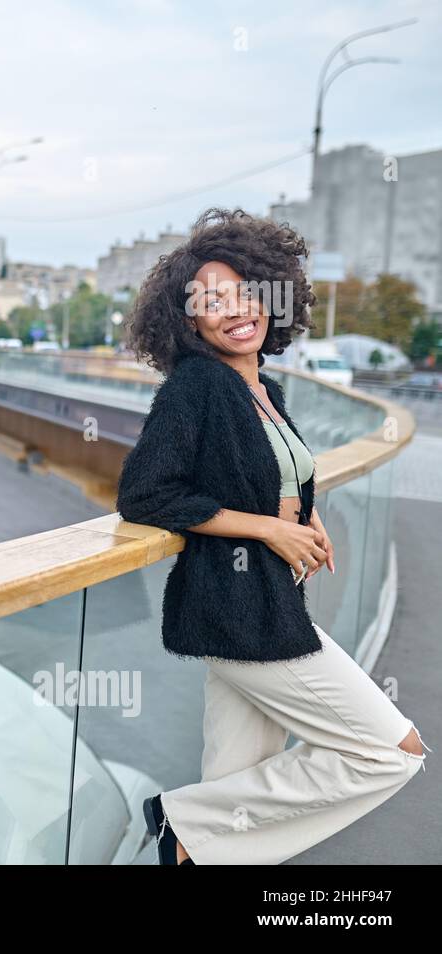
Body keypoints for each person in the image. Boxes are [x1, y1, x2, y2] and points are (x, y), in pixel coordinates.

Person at [115, 208, 428, 866]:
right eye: (210, 300)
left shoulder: (263, 388)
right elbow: (146, 493)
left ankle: (192, 844)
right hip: (244, 616)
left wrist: (301, 514)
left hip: (262, 605)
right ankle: (182, 821)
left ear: (270, 294)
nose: (233, 309)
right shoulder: (197, 386)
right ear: (188, 321)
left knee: (234, 807)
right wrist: (265, 528)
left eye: (244, 291)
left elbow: (269, 472)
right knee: (391, 752)